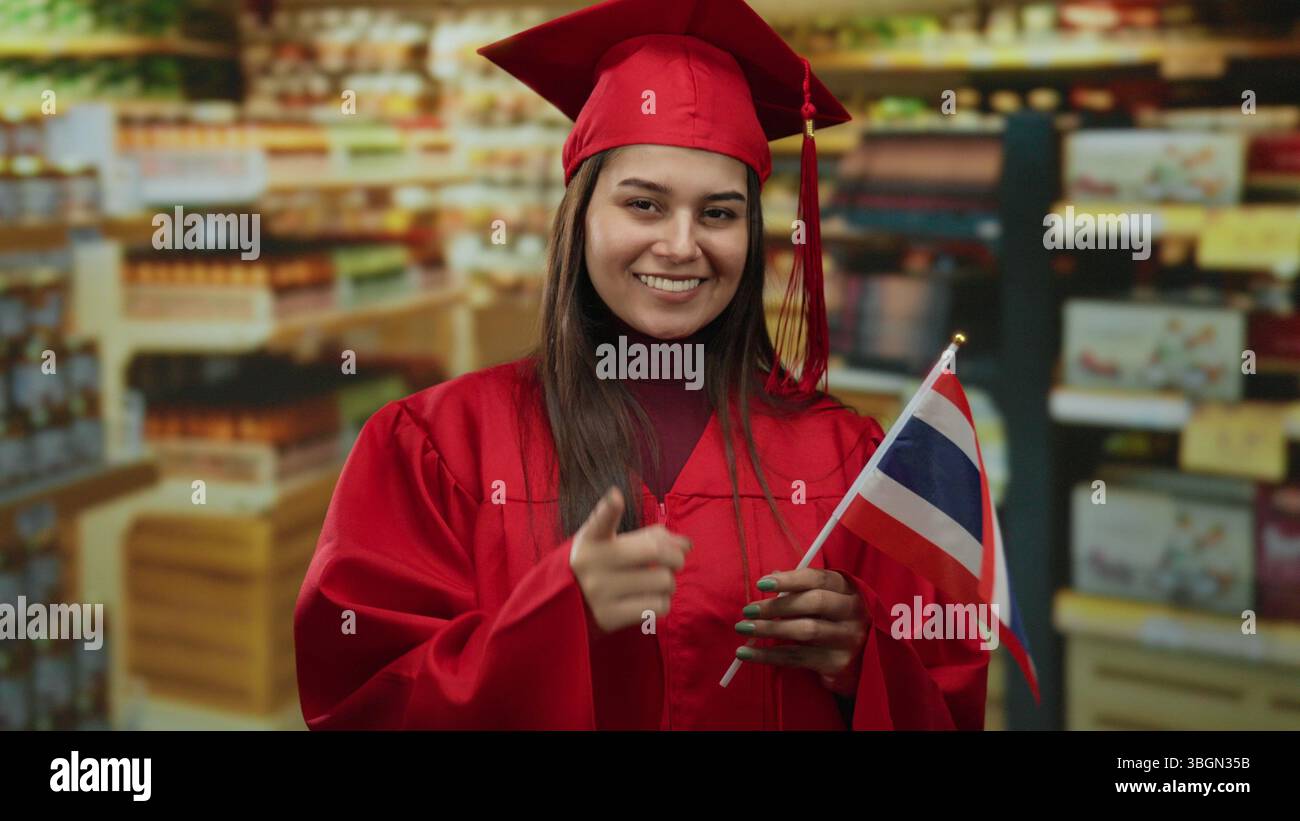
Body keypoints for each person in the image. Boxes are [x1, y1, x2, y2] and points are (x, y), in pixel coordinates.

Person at [293, 0, 989, 730]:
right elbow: (362, 703)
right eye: (645, 205)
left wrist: (864, 659)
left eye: (719, 213)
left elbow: (947, 697)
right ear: (580, 215)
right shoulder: (435, 447)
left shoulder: (844, 457)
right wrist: (549, 622)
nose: (682, 245)